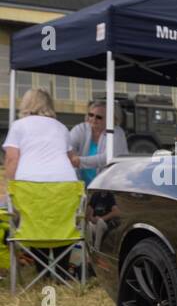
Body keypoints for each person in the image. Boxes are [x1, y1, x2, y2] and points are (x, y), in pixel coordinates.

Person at [2, 88, 81, 268]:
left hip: (28, 185)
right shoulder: (61, 127)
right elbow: (71, 158)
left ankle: (42, 268)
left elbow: (12, 159)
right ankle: (61, 270)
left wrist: (9, 188)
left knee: (34, 221)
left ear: (26, 103)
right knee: (60, 221)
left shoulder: (19, 125)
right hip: (66, 185)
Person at [67, 100, 128, 187]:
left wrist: (79, 161)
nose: (93, 119)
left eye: (99, 117)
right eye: (91, 115)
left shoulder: (117, 133)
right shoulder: (80, 129)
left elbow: (108, 158)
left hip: (108, 186)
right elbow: (68, 147)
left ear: (110, 119)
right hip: (81, 185)